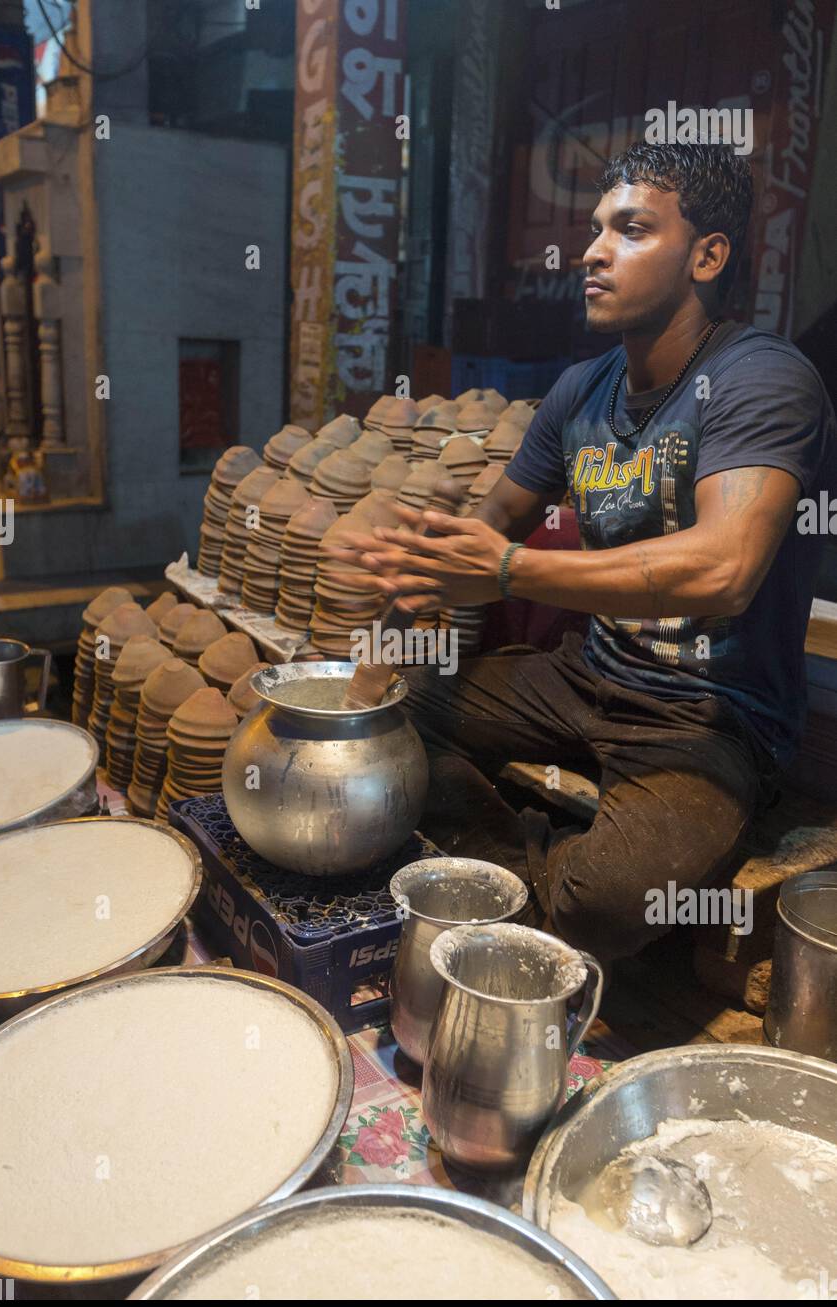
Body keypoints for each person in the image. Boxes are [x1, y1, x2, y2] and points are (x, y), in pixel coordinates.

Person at [330, 142, 837, 967]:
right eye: (597, 228)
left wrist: (506, 571)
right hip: (588, 674)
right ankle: (517, 866)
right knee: (400, 724)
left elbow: (725, 568)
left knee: (606, 910)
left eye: (631, 230)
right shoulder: (581, 389)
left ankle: (543, 889)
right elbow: (477, 531)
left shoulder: (764, 380)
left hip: (710, 713)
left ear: (707, 256)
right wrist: (363, 681)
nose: (593, 252)